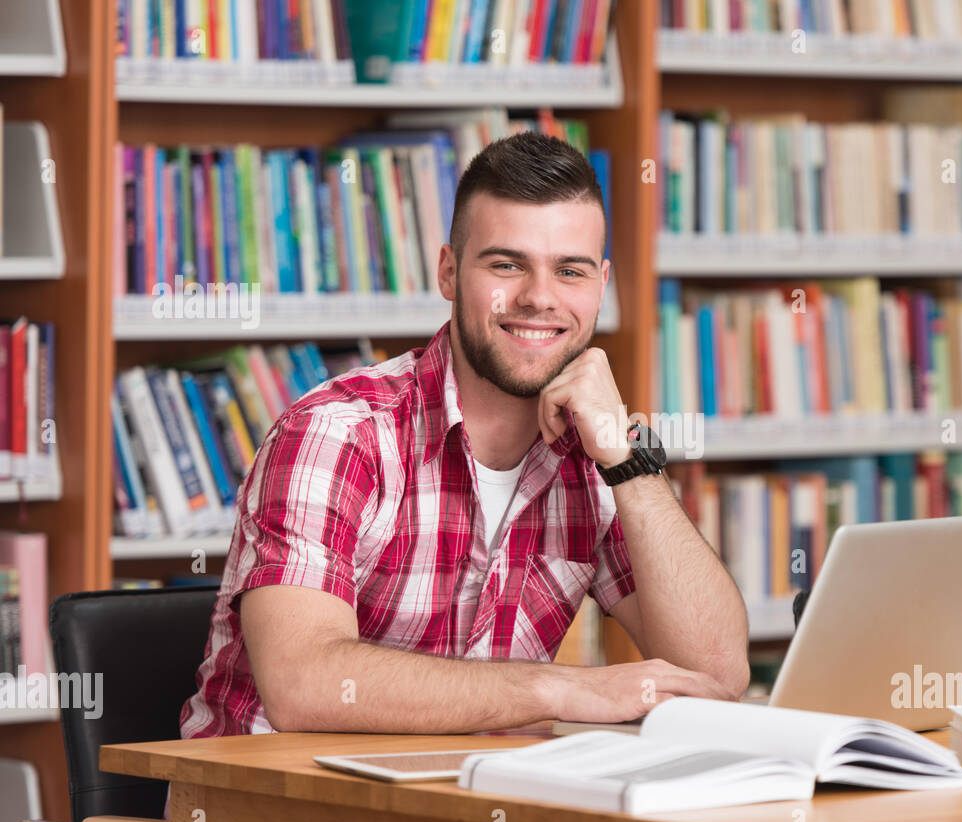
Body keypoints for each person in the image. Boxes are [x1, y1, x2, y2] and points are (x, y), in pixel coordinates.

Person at [178, 129, 749, 752]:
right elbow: (303, 684)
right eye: (507, 264)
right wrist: (556, 691)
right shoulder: (338, 434)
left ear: (602, 284)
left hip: (470, 810)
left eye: (570, 271)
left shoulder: (596, 456)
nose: (539, 297)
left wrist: (629, 461)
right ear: (449, 272)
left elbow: (717, 677)